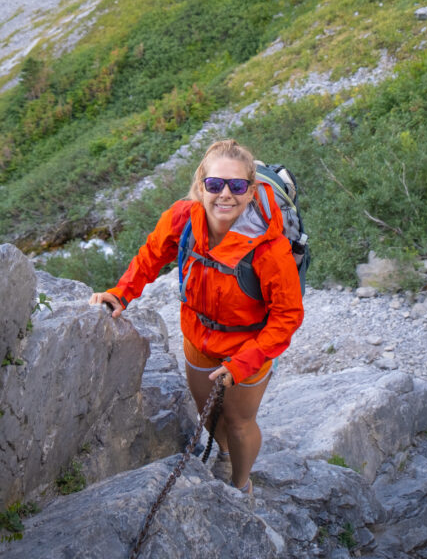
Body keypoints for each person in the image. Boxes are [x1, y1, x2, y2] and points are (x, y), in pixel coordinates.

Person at [89, 138, 304, 495]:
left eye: (237, 186)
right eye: (215, 184)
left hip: (247, 346)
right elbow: (151, 255)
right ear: (200, 184)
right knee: (210, 412)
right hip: (198, 335)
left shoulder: (269, 249)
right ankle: (222, 452)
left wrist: (243, 363)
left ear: (251, 191)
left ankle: (240, 485)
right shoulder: (183, 218)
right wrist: (121, 292)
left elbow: (287, 316)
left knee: (239, 422)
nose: (225, 195)